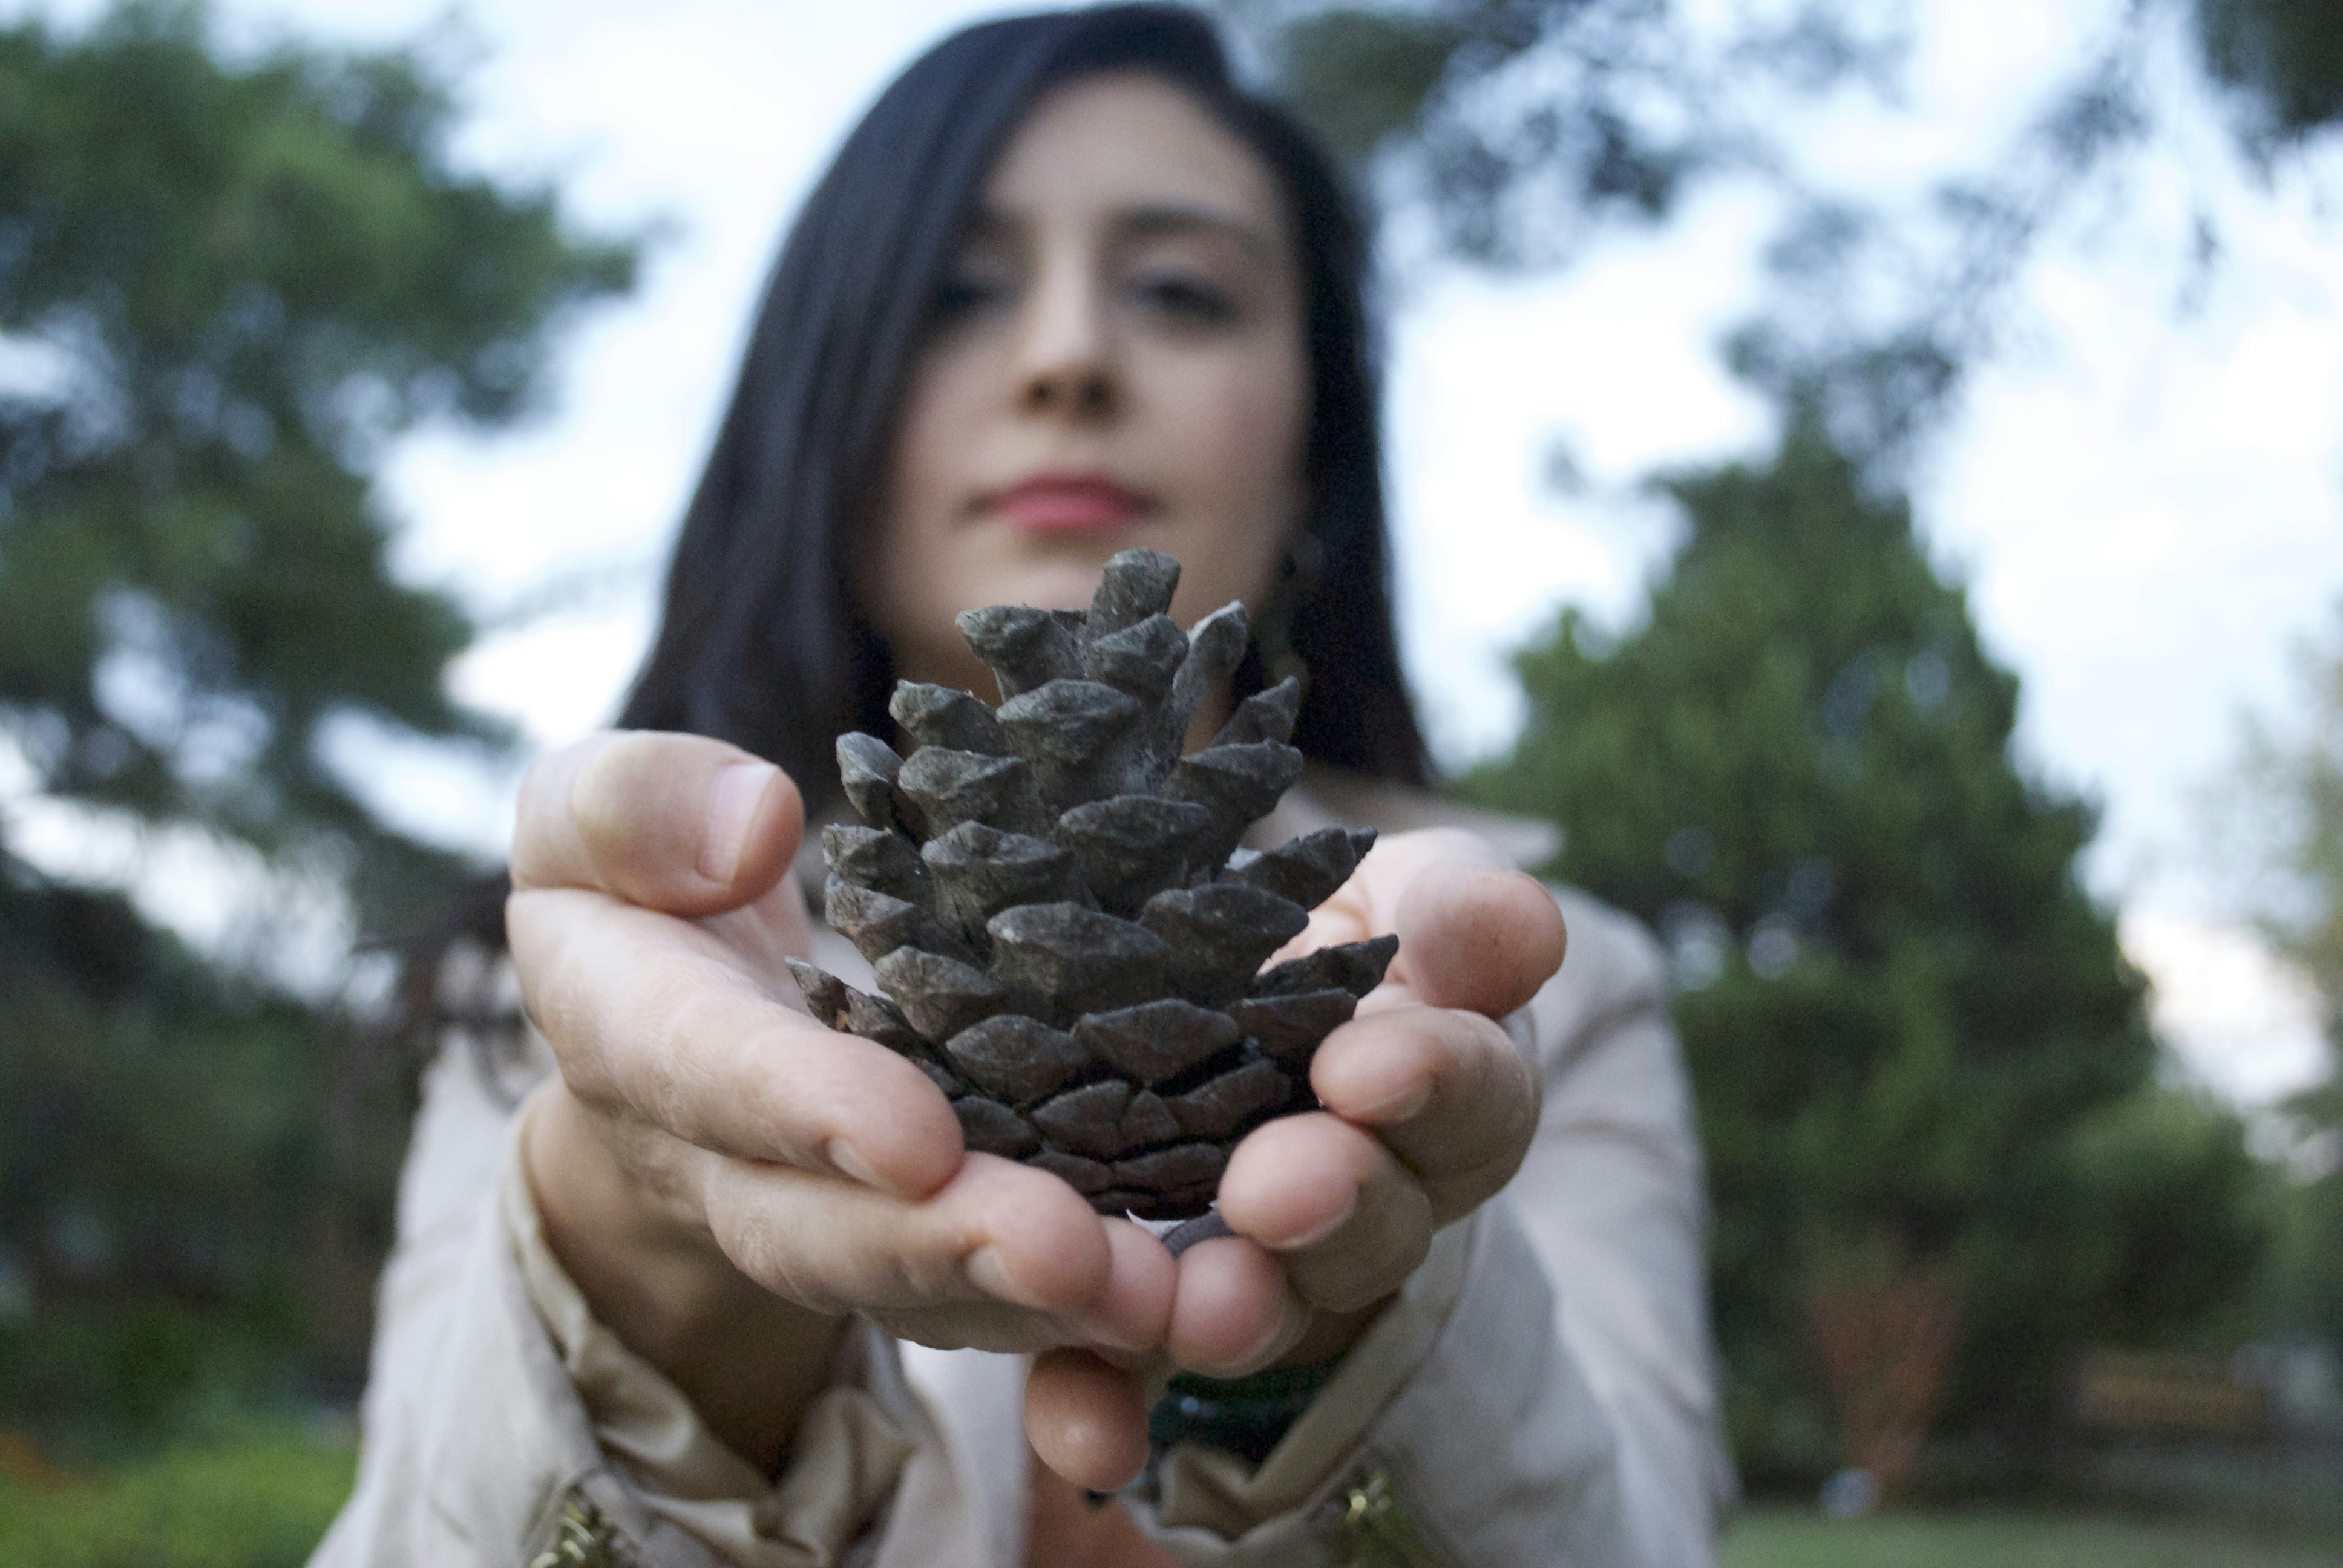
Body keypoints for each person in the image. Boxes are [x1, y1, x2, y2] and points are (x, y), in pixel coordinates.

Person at [313, 8, 1732, 1566]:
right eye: (957, 294)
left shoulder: (1548, 991)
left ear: (1315, 456)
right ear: (826, 425)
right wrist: (638, 1253)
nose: (1066, 357)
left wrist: (1361, 1343)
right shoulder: (560, 985)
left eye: (1184, 292)